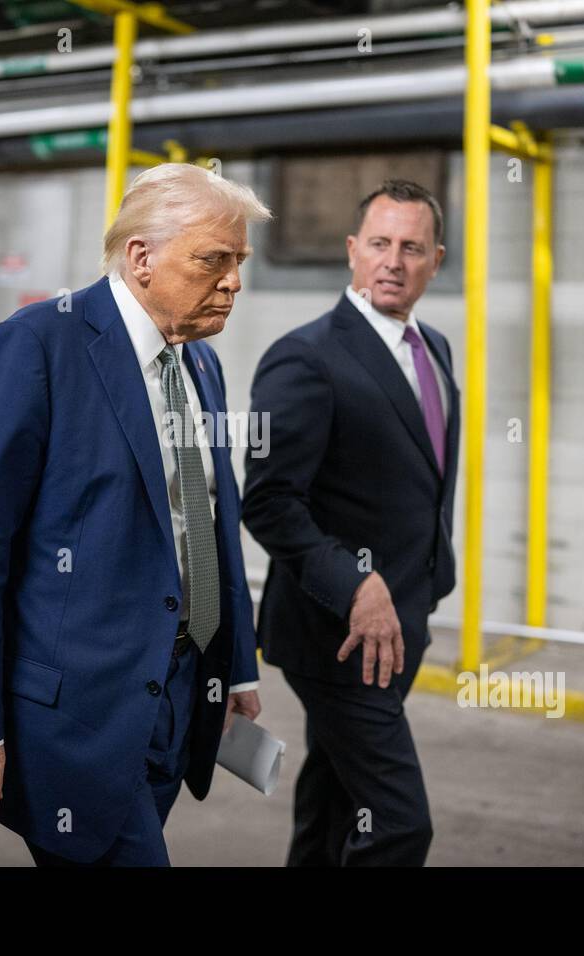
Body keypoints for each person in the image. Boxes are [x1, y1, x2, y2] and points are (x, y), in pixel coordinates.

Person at [0, 163, 268, 866]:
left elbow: (209, 523)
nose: (232, 282)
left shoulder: (199, 364)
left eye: (240, 263)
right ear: (141, 256)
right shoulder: (37, 348)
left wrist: (236, 664)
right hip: (73, 717)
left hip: (175, 699)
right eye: (213, 260)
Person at [242, 179, 460, 866]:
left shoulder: (436, 350)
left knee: (337, 800)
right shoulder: (304, 357)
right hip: (335, 633)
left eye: (412, 247)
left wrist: (428, 581)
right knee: (398, 826)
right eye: (379, 244)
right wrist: (358, 584)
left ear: (435, 259)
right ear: (351, 252)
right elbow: (269, 501)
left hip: (405, 623)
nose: (393, 261)